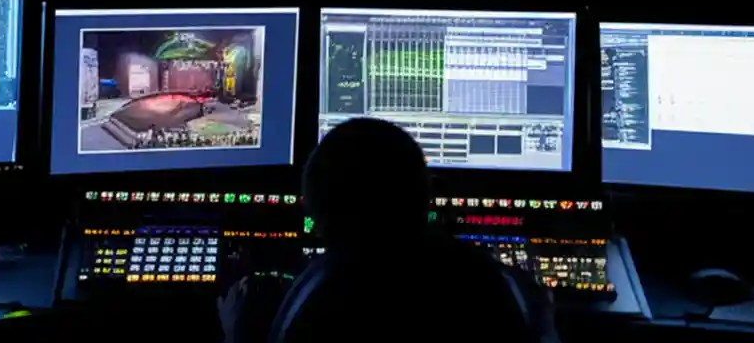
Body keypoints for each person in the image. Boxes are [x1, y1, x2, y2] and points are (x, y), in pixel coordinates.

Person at [219, 118, 558, 343]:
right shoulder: (501, 287)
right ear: (427, 196)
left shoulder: (313, 301)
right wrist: (541, 316)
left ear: (317, 216)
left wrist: (239, 331)